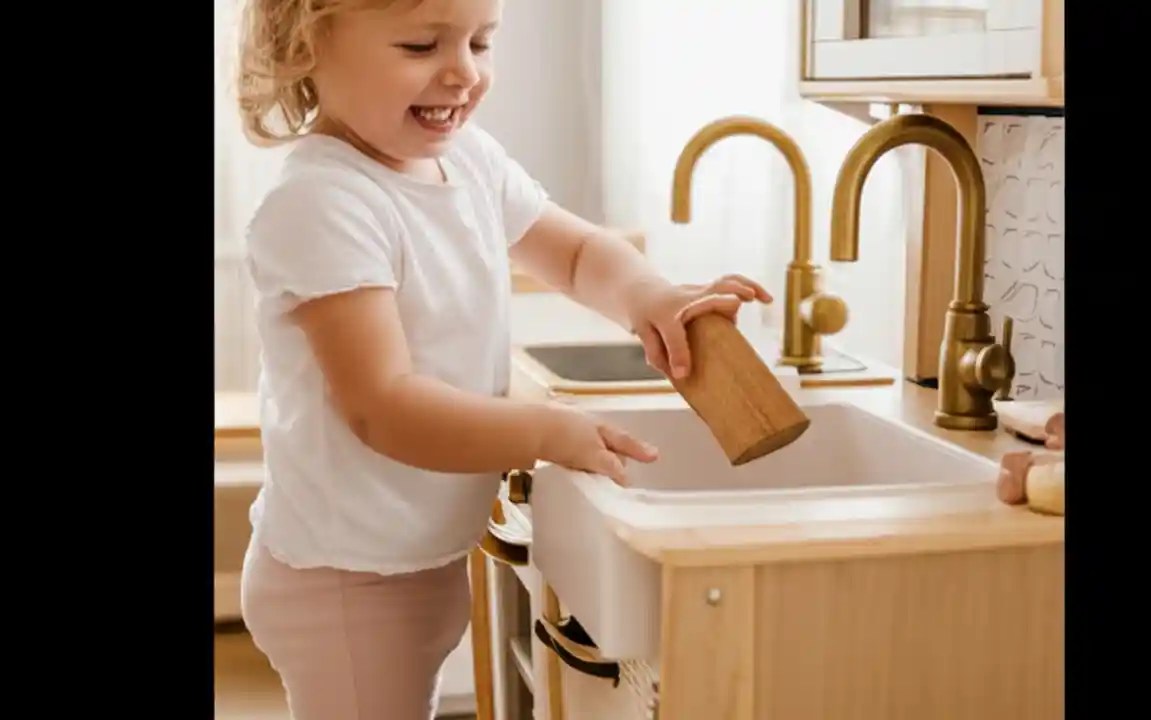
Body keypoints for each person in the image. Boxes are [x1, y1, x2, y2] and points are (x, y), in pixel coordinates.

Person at [232, 0, 772, 717]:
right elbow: (383, 406)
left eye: (481, 43)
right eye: (422, 45)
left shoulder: (468, 161)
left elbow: (576, 253)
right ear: (306, 47)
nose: (463, 73)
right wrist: (545, 431)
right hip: (347, 577)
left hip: (400, 558)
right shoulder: (325, 201)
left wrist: (653, 297)